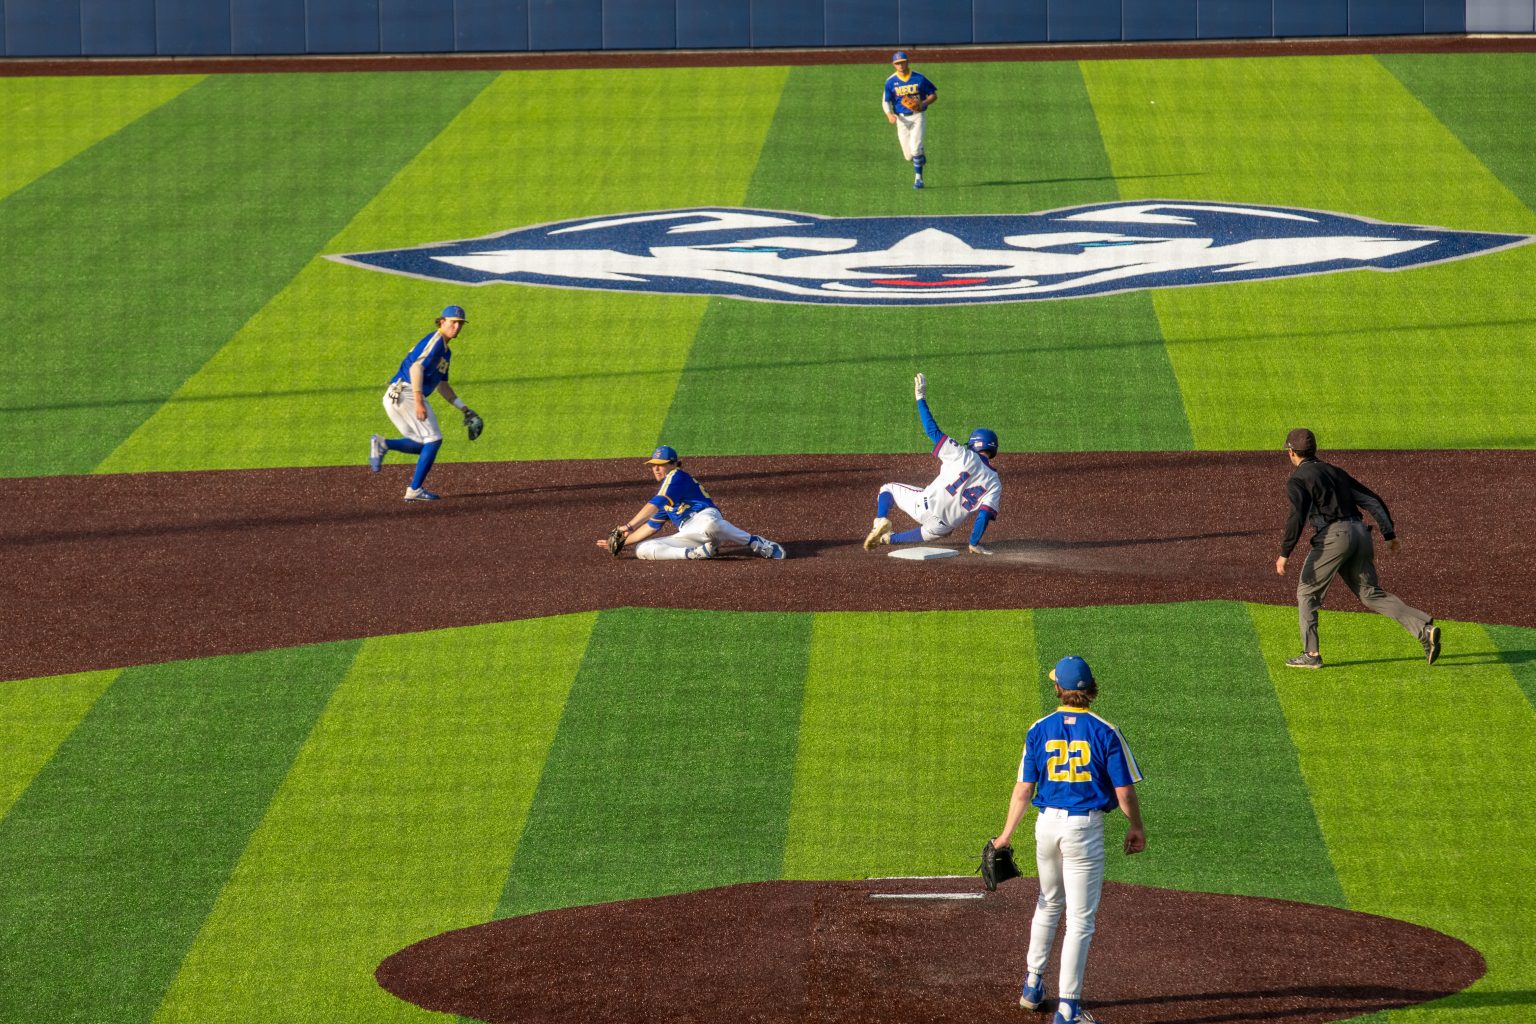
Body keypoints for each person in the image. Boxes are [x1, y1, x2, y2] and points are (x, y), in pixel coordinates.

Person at [993, 656, 1146, 1024]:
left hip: (1045, 827)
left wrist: (1005, 835)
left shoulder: (1039, 728)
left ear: (1058, 688)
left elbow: (1023, 789)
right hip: (1083, 831)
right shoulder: (1106, 731)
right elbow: (1124, 791)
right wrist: (1136, 826)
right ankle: (1068, 1009)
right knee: (1080, 920)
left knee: (1048, 902)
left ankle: (1032, 986)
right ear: (1089, 690)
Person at [1275, 427, 1440, 669]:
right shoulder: (1336, 472)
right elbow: (1372, 500)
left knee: (1307, 592)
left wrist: (1284, 553)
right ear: (1314, 450)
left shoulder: (1298, 479)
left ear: (1291, 452)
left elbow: (1297, 516)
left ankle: (1311, 654)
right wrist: (1389, 534)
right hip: (1361, 533)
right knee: (1370, 594)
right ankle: (1424, 630)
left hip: (1334, 538)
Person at [863, 373, 1000, 554]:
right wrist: (974, 542)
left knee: (888, 489)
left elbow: (932, 431)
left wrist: (921, 398)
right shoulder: (995, 483)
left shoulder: (963, 454)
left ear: (974, 444)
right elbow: (983, 515)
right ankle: (888, 539)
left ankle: (880, 520)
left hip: (923, 505)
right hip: (941, 528)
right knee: (940, 531)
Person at [369, 304, 479, 501]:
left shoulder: (446, 352)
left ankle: (383, 444)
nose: (457, 327)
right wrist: (419, 401)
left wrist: (464, 409)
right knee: (434, 439)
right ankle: (414, 490)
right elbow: (416, 368)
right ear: (442, 321)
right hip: (407, 394)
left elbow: (442, 385)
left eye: (460, 324)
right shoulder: (435, 342)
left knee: (422, 444)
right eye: (453, 322)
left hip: (397, 396)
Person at [598, 446, 786, 560]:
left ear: (673, 464)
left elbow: (655, 502)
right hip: (689, 534)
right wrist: (622, 543)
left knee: (711, 525)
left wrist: (629, 526)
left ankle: (755, 542)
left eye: (661, 464)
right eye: (653, 465)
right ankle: (696, 553)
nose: (656, 468)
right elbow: (650, 527)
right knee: (643, 549)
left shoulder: (676, 477)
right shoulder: (667, 492)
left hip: (705, 518)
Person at [882, 51, 936, 189]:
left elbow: (933, 95)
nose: (900, 65)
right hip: (901, 120)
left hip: (917, 116)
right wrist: (889, 114)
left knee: (915, 149)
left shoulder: (919, 78)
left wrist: (923, 103)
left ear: (907, 62)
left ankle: (919, 179)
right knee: (908, 156)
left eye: (902, 62)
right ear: (893, 65)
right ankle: (919, 155)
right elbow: (885, 101)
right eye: (897, 63)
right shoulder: (890, 81)